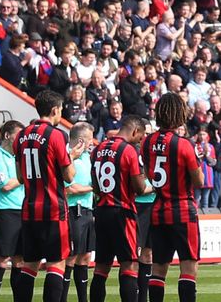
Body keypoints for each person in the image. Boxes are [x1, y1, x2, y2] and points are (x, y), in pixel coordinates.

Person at [16, 91, 77, 302]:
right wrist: (72, 158)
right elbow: (69, 176)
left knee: (29, 265)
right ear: (54, 110)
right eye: (60, 110)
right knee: (56, 264)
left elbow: (20, 177)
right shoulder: (57, 135)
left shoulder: (21, 135)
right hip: (53, 209)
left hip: (29, 209)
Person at [145, 91, 205, 302]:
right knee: (188, 267)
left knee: (158, 268)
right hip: (182, 211)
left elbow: (148, 175)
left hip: (158, 210)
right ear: (179, 114)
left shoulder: (147, 142)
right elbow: (199, 181)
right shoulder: (184, 144)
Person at [91, 117, 150, 302]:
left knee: (101, 268)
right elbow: (140, 189)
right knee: (129, 266)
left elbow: (95, 185)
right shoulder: (129, 151)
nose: (140, 141)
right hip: (123, 212)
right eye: (140, 137)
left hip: (101, 210)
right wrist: (156, 186)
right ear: (134, 131)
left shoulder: (98, 149)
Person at [0, 119, 26, 302]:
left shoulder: (18, 157)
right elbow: (5, 185)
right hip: (4, 212)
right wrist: (25, 177)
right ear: (7, 136)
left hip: (22, 211)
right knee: (2, 258)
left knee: (20, 260)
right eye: (19, 135)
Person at [67, 124, 99, 302]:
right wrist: (94, 188)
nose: (91, 143)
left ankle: (82, 299)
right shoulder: (67, 155)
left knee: (85, 256)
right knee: (71, 257)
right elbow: (69, 189)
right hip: (73, 211)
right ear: (80, 140)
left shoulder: (87, 157)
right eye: (89, 139)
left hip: (87, 210)